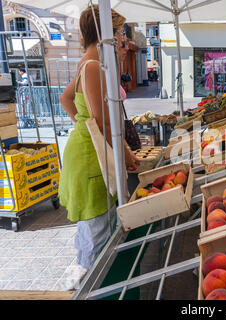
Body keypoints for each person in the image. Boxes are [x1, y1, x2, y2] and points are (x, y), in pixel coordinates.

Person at [58, 5, 139, 274]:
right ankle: (93, 286)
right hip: (89, 158)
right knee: (97, 234)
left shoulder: (91, 63)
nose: (121, 38)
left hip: (90, 150)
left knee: (95, 228)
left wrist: (84, 124)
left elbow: (66, 99)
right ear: (105, 33)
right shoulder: (92, 66)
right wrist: (126, 154)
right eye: (119, 32)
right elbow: (103, 121)